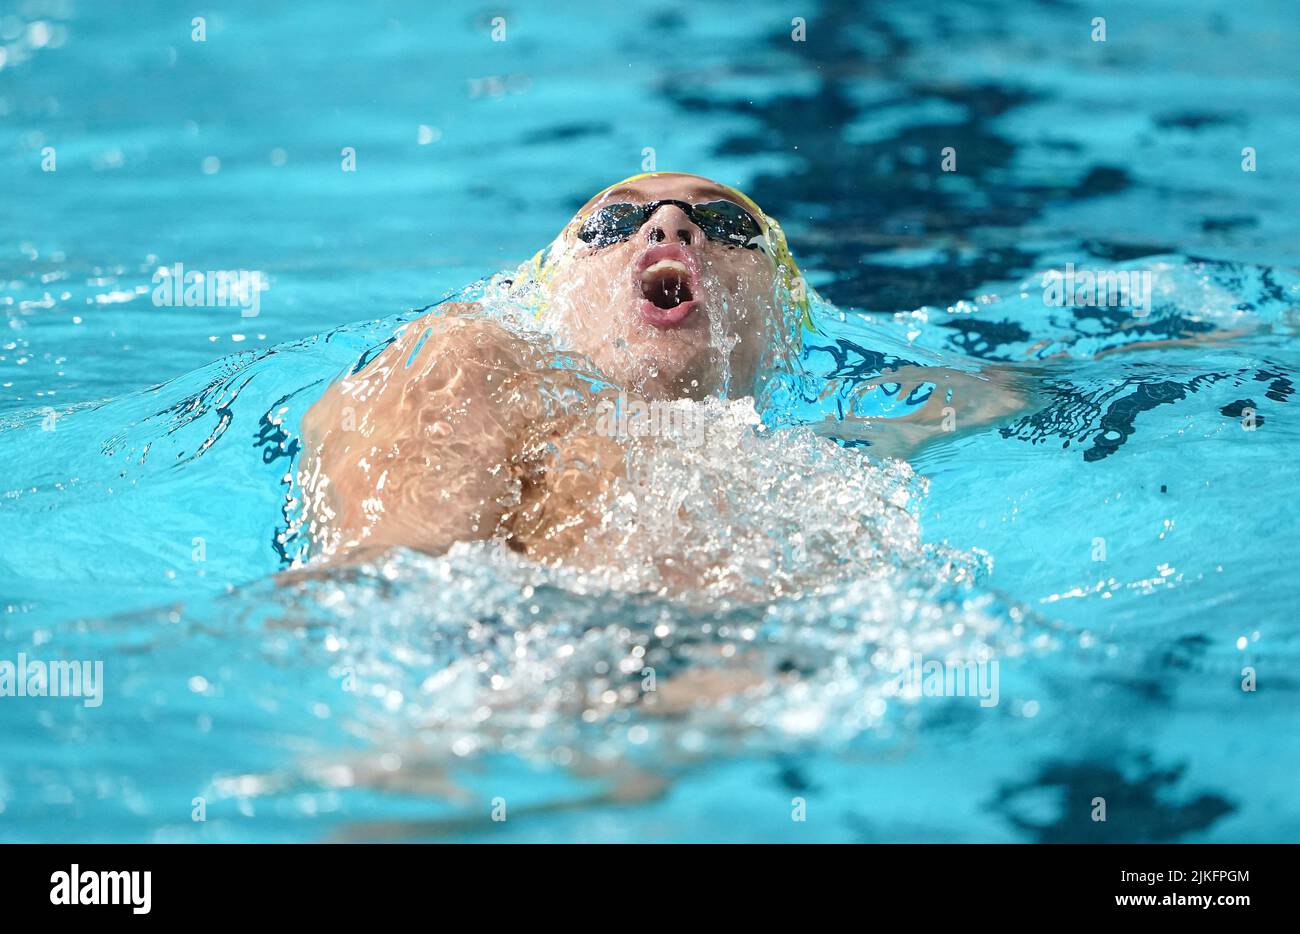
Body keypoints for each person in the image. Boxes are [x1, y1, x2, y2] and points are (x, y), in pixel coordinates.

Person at [296, 172, 1017, 567]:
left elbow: (1018, 391)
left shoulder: (826, 454)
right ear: (547, 298)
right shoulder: (463, 358)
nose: (670, 226)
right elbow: (385, 582)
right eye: (611, 223)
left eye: (730, 225)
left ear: (785, 318)